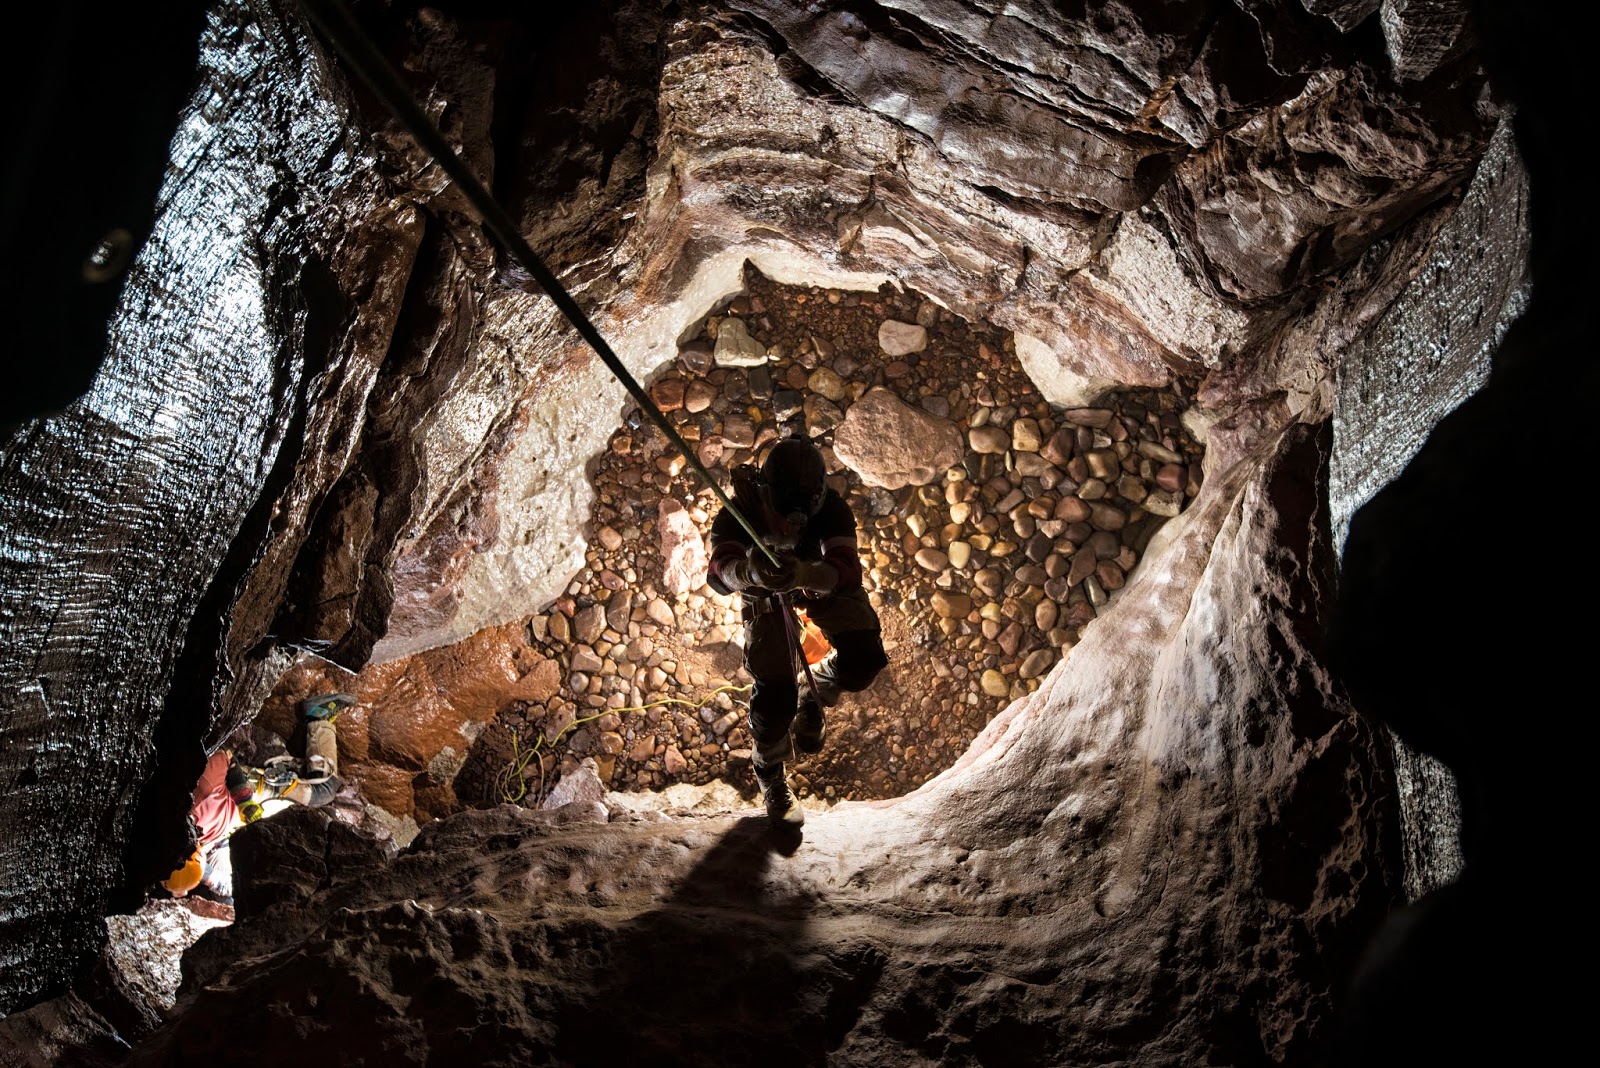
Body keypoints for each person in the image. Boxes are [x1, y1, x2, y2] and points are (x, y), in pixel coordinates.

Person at [706, 436, 887, 826]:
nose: (794, 525)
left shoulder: (829, 510)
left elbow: (846, 568)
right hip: (764, 593)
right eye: (787, 516)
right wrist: (750, 572)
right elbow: (720, 572)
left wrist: (806, 574)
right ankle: (769, 772)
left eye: (802, 518)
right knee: (774, 700)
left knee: (864, 661)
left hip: (812, 582)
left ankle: (815, 690)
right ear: (768, 494)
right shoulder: (741, 512)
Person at [162, 692, 354, 902]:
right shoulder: (167, 855)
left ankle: (317, 716)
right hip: (223, 837)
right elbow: (182, 876)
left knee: (323, 792)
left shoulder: (201, 794)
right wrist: (209, 876)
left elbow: (226, 755)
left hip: (244, 800)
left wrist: (244, 801)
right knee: (235, 898)